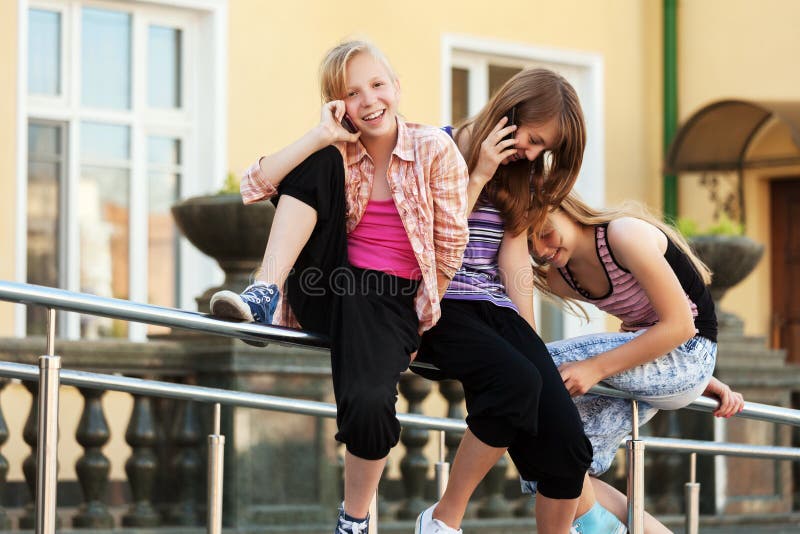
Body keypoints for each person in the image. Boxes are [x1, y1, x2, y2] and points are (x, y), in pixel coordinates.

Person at [209, 40, 470, 534]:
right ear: (337, 103)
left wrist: (416, 322)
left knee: (371, 404)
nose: (368, 100)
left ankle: (355, 517)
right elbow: (253, 186)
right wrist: (318, 135)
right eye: (352, 92)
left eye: (377, 84)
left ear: (396, 87)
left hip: (391, 301)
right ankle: (263, 294)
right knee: (316, 160)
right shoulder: (336, 151)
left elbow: (450, 245)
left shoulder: (434, 148)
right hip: (330, 284)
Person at [413, 68, 621, 534]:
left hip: (493, 309)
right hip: (442, 299)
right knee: (515, 385)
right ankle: (442, 520)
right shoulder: (435, 146)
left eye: (543, 149)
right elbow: (427, 244)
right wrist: (480, 172)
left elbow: (513, 259)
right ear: (510, 111)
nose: (532, 153)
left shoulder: (523, 174)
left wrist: (529, 339)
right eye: (533, 138)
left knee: (570, 446)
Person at [528, 192, 745, 533]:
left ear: (562, 204)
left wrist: (596, 368)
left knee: (532, 368)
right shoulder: (560, 277)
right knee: (549, 466)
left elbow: (681, 326)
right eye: (529, 244)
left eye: (543, 232)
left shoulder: (623, 235)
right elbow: (635, 327)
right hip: (656, 364)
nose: (541, 250)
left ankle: (600, 527)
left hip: (687, 352)